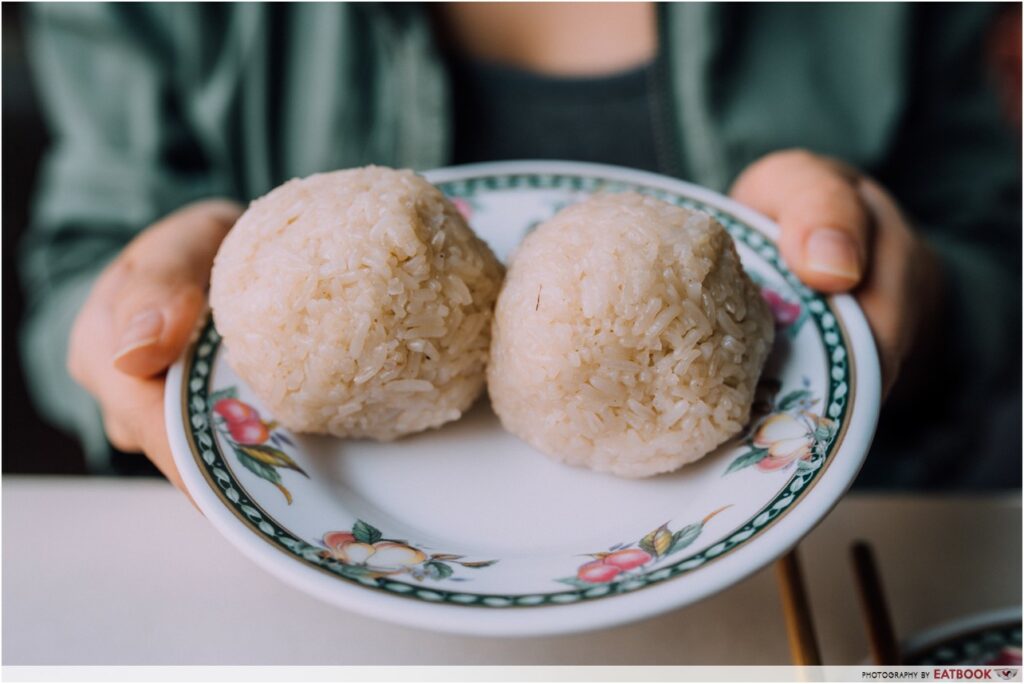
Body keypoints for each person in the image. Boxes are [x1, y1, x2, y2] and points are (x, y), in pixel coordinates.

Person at [20, 3, 1021, 491]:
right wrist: (121, 333)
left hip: (846, 573)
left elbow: (992, 245)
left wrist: (923, 296)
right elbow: (75, 270)